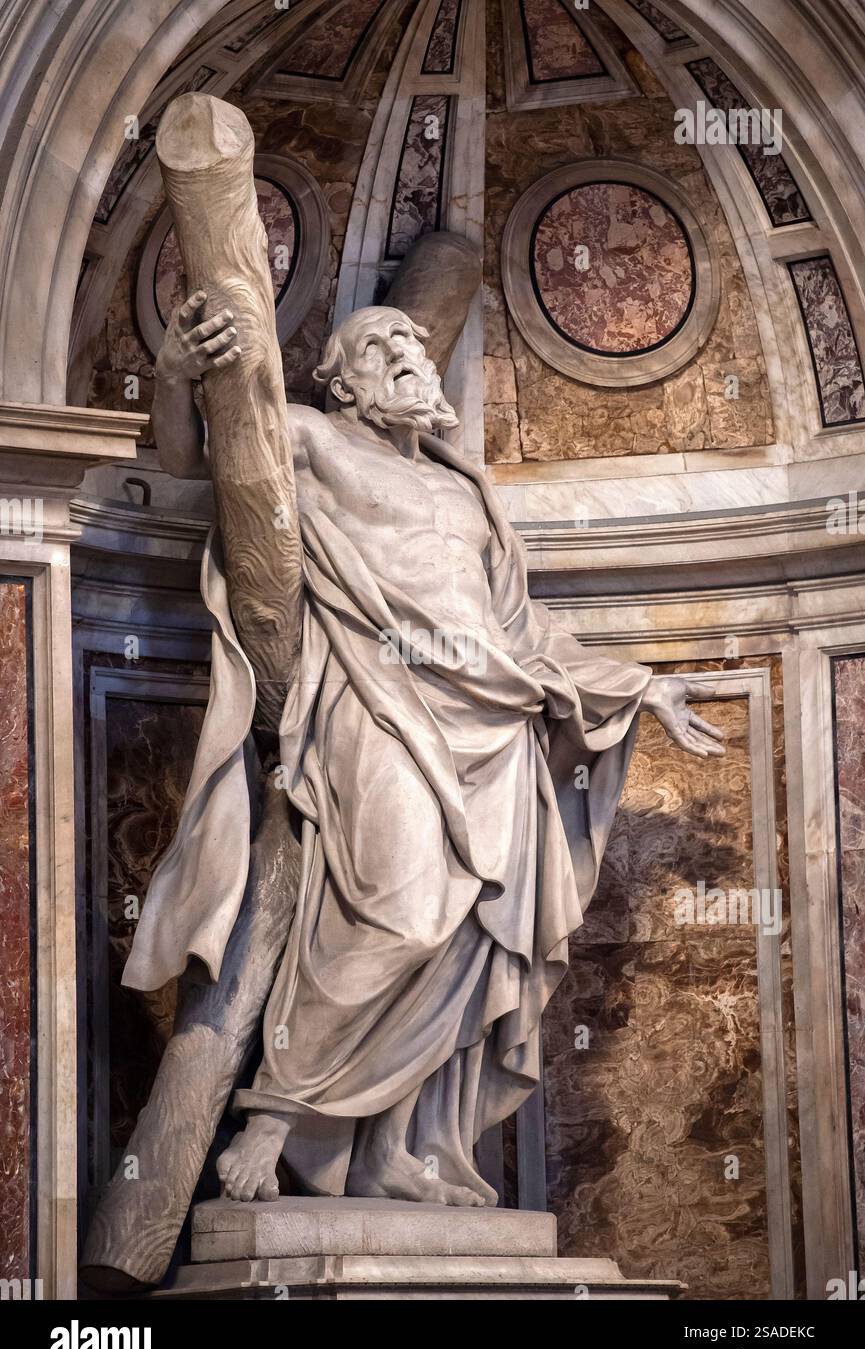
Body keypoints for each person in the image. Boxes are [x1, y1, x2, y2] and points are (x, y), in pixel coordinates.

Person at [123, 292, 724, 1206]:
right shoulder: (315, 441)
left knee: (464, 937)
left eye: (412, 337)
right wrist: (175, 372)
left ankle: (390, 1150)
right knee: (400, 915)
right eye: (378, 344)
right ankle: (276, 1113)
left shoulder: (464, 489)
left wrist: (643, 684)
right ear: (341, 384)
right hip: (381, 702)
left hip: (495, 723)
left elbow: (517, 632)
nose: (405, 351)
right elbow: (193, 457)